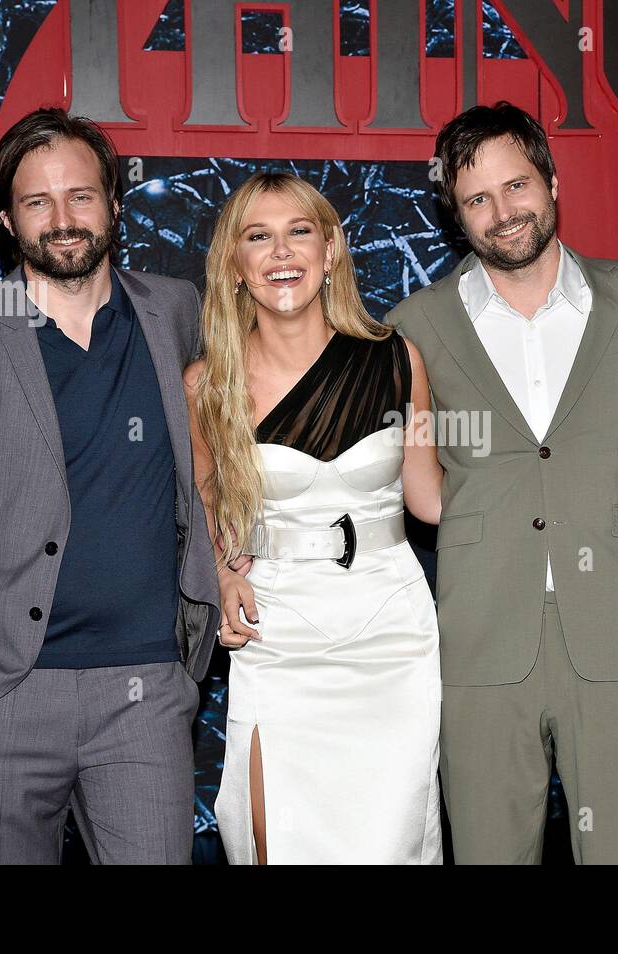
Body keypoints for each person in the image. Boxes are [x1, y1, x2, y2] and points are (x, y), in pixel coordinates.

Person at [0, 108, 221, 863]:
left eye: (81, 196)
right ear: (6, 219)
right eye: (38, 202)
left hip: (144, 691)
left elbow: (217, 458)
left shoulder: (174, 312)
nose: (63, 219)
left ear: (115, 202)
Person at [387, 102, 618, 864]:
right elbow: (419, 485)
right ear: (456, 214)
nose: (502, 212)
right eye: (477, 198)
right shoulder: (414, 323)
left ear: (552, 179)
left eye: (516, 185)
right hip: (482, 638)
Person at [187, 172, 445, 864]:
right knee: (281, 842)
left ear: (330, 250)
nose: (281, 252)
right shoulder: (209, 382)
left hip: (392, 634)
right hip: (279, 633)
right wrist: (218, 570)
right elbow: (203, 500)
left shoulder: (397, 359)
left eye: (299, 230)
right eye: (258, 236)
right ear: (235, 264)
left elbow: (431, 499)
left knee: (384, 844)